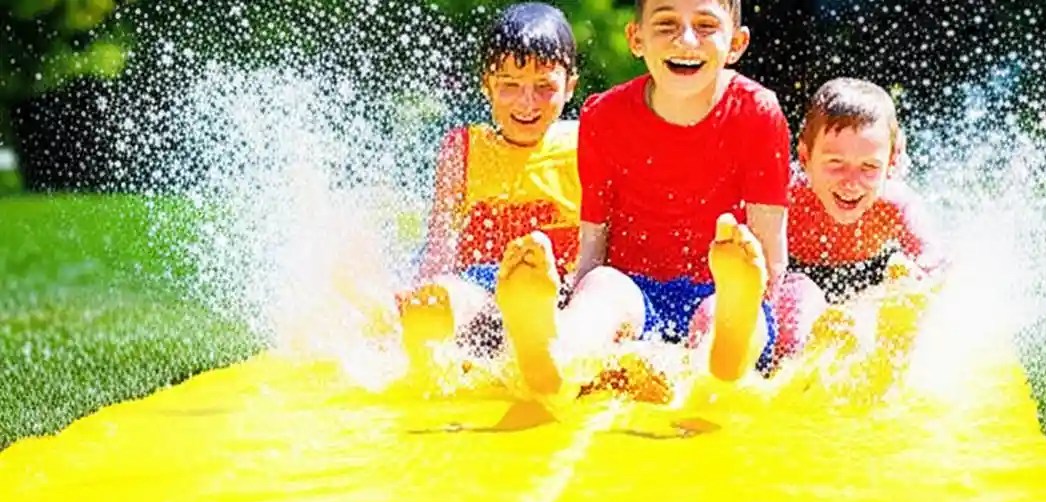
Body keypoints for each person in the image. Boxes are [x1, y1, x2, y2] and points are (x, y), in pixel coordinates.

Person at [492, 0, 792, 395]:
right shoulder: (603, 115)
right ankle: (553, 351)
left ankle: (727, 351)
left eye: (705, 25)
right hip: (633, 292)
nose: (686, 41)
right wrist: (577, 295)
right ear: (637, 37)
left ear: (735, 43)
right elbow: (593, 247)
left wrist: (762, 312)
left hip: (720, 290)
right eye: (666, 24)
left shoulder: (757, 112)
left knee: (724, 311)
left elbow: (770, 255)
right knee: (602, 288)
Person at [397, 2, 582, 356]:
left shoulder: (584, 145)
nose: (527, 102)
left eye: (544, 85)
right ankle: (428, 336)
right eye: (509, 84)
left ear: (570, 86)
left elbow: (598, 244)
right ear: (487, 85)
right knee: (446, 298)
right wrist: (426, 286)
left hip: (553, 294)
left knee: (553, 304)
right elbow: (441, 243)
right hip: (478, 289)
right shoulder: (463, 150)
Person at [774, 77, 946, 359]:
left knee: (900, 293)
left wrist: (919, 276)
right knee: (800, 300)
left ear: (892, 162)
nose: (851, 182)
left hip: (871, 279)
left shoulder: (895, 205)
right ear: (805, 157)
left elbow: (935, 260)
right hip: (796, 275)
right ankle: (795, 363)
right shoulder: (785, 197)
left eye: (868, 167)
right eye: (835, 164)